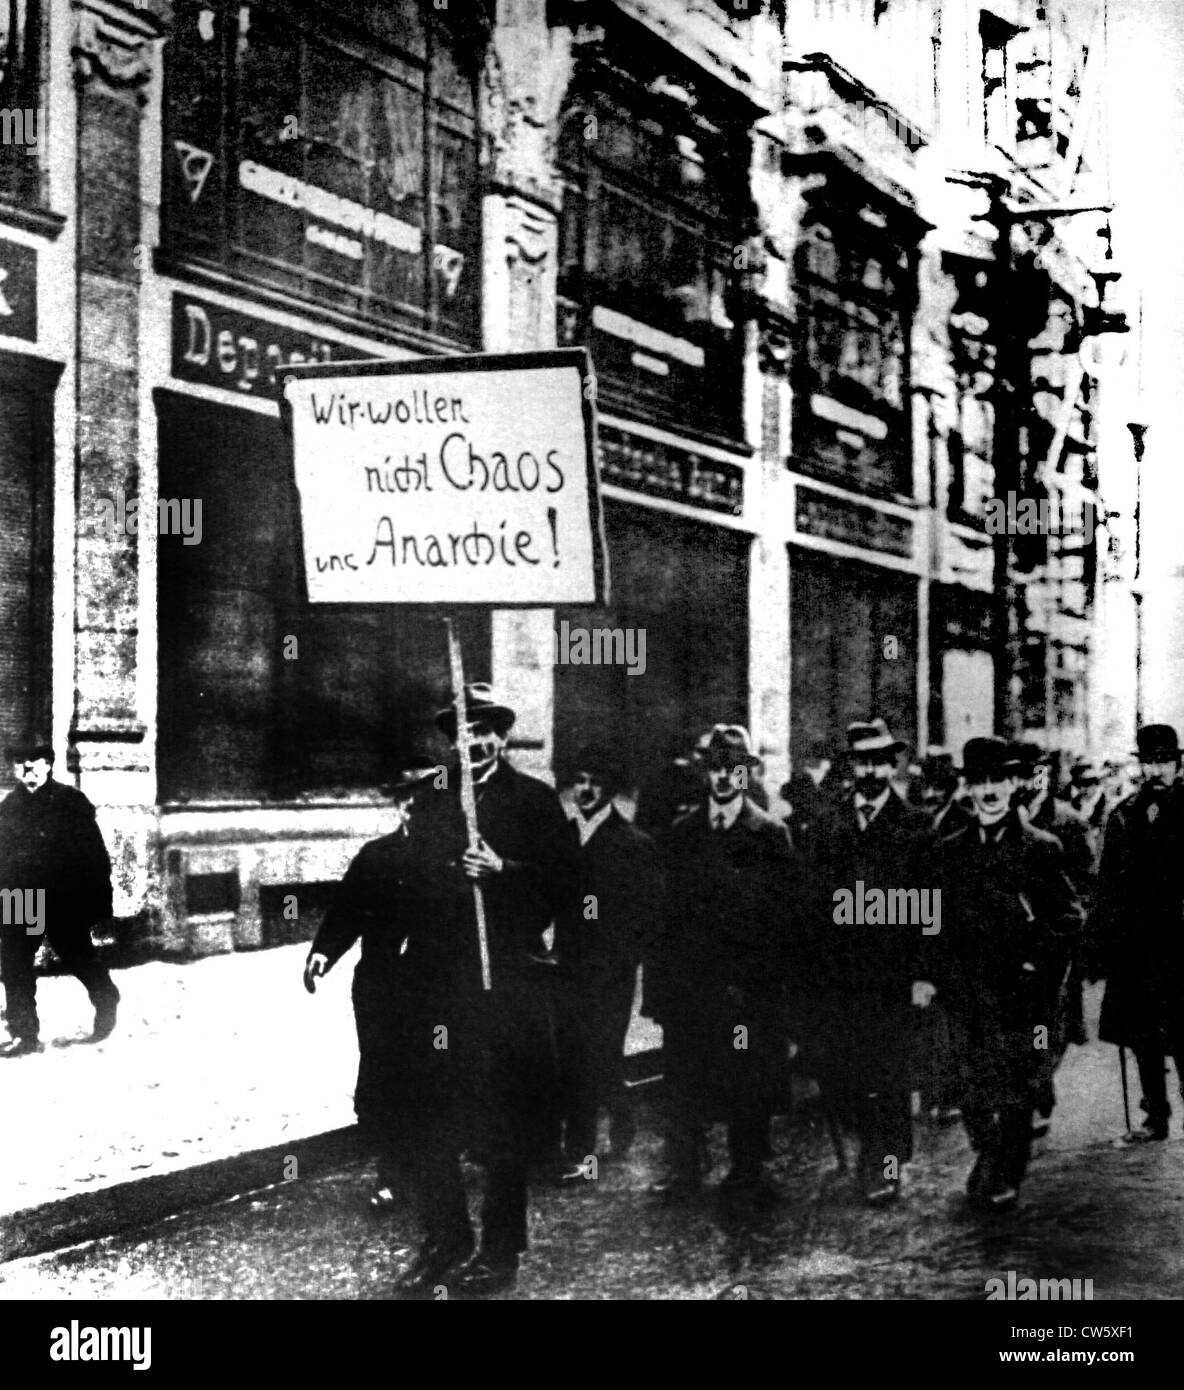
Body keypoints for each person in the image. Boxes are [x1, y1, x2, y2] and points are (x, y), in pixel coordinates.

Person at [303, 684, 577, 1296]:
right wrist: (335, 946)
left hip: (502, 985)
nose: (475, 741)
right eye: (463, 731)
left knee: (502, 1129)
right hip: (435, 989)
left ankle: (500, 1250)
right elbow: (392, 883)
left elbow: (569, 888)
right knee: (427, 1121)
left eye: (486, 730)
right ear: (451, 740)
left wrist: (505, 873)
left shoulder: (533, 802)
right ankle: (445, 1237)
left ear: (503, 736)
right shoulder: (431, 800)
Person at [643, 724, 801, 1198]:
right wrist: (661, 990)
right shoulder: (681, 835)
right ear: (704, 773)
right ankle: (684, 1167)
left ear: (747, 773)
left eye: (733, 769)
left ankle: (747, 1165)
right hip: (691, 984)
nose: (723, 778)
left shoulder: (771, 835)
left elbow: (785, 922)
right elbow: (664, 920)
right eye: (715, 769)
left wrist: (779, 995)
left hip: (745, 988)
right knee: (683, 1076)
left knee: (745, 1077)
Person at [930, 737, 1083, 1210]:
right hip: (968, 991)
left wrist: (1040, 965)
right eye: (979, 782)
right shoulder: (950, 850)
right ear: (968, 790)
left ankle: (1005, 1175)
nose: (990, 791)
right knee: (972, 1090)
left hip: (1023, 991)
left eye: (998, 780)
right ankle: (989, 1156)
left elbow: (1069, 919)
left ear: (1015, 784)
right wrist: (931, 972)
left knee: (1018, 1086)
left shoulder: (1041, 848)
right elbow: (932, 919)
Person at [801, 719, 936, 1204]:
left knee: (889, 1075)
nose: (871, 770)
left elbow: (928, 907)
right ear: (851, 766)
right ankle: (873, 1152)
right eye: (862, 761)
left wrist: (923, 972)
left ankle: (885, 1164)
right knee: (840, 1071)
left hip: (891, 975)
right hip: (838, 976)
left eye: (880, 761)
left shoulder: (916, 827)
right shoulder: (828, 822)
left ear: (893, 764)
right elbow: (812, 903)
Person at [305, 753, 443, 1214]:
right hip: (380, 990)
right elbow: (347, 911)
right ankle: (392, 1173)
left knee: (428, 1079)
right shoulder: (377, 856)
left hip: (432, 991)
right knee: (383, 1079)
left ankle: (432, 1168)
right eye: (404, 800)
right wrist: (323, 953)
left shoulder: (451, 858)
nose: (411, 809)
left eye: (420, 800)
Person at [552, 744, 663, 1180]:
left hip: (610, 971)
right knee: (579, 1054)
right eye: (579, 780)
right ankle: (621, 1108)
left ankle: (581, 1155)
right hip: (567, 964)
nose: (585, 789)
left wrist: (623, 957)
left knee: (593, 1051)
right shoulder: (563, 838)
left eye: (595, 782)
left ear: (611, 789)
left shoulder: (633, 844)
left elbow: (648, 914)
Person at [1093, 724, 1184, 1142]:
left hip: (1181, 944)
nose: (1156, 771)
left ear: (1178, 764)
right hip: (1139, 947)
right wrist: (1103, 943)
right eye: (1149, 762)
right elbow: (1107, 885)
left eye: (1164, 761)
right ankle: (1155, 1116)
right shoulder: (1124, 816)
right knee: (1143, 1035)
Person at [0, 738, 119, 1056]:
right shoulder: (9, 808)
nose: (27, 770)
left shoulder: (70, 802)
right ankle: (24, 1035)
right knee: (14, 964)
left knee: (77, 956)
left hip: (62, 896)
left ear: (49, 765)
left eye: (35, 762)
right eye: (20, 764)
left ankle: (106, 996)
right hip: (21, 896)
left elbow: (95, 856)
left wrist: (99, 904)